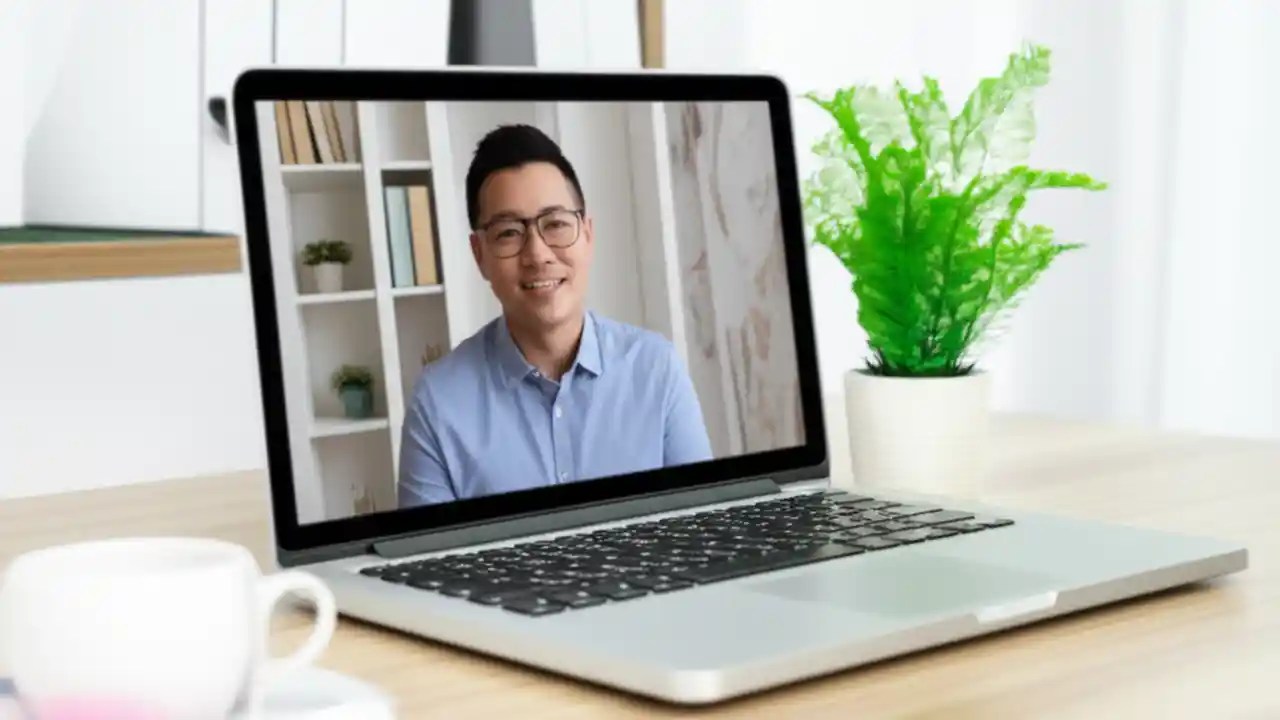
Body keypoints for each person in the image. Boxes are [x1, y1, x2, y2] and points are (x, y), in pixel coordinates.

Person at [398, 124, 713, 507]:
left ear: (588, 235)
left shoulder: (656, 369)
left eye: (556, 224)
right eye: (509, 232)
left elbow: (704, 520)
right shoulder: (437, 402)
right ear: (479, 255)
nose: (537, 254)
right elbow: (432, 548)